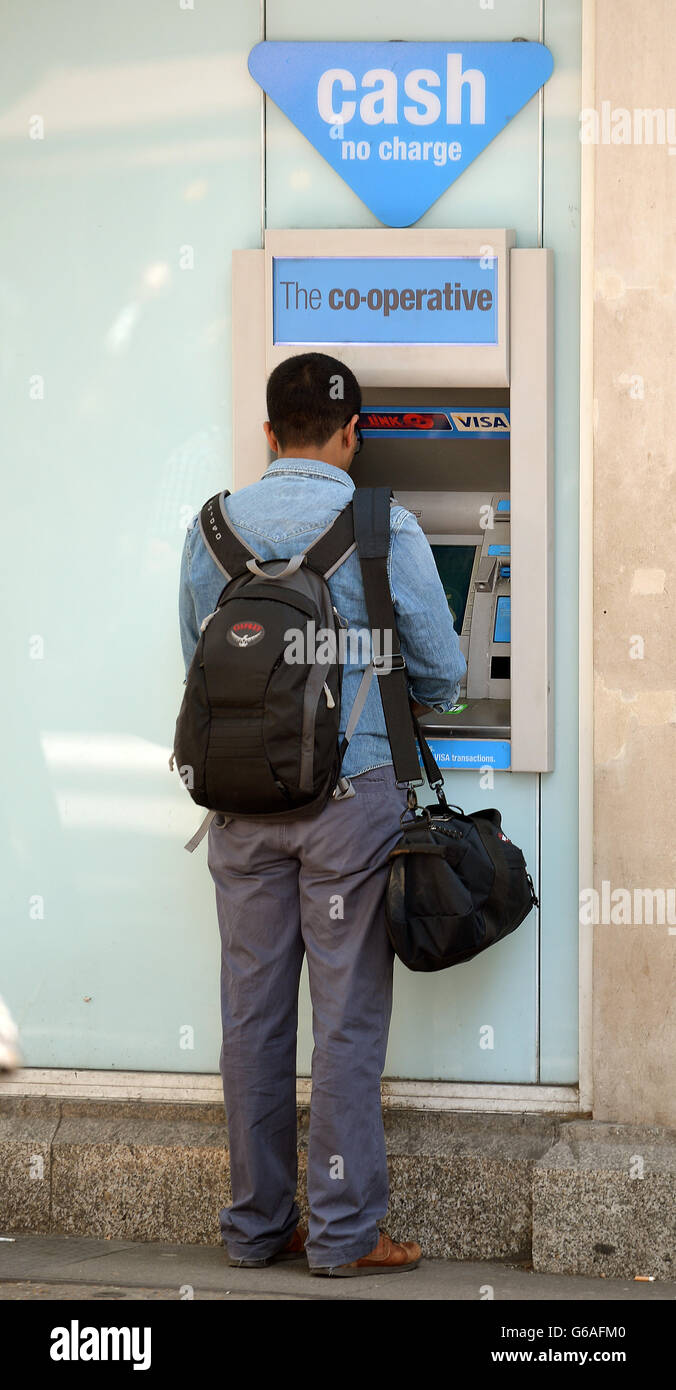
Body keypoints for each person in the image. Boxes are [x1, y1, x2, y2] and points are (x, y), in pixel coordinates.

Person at [178, 352, 466, 1277]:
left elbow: (199, 659)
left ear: (269, 434)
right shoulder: (383, 525)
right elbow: (444, 675)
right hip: (350, 802)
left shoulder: (212, 528)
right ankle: (342, 1236)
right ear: (354, 431)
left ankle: (258, 1227)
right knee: (344, 1021)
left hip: (240, 806)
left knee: (250, 1018)